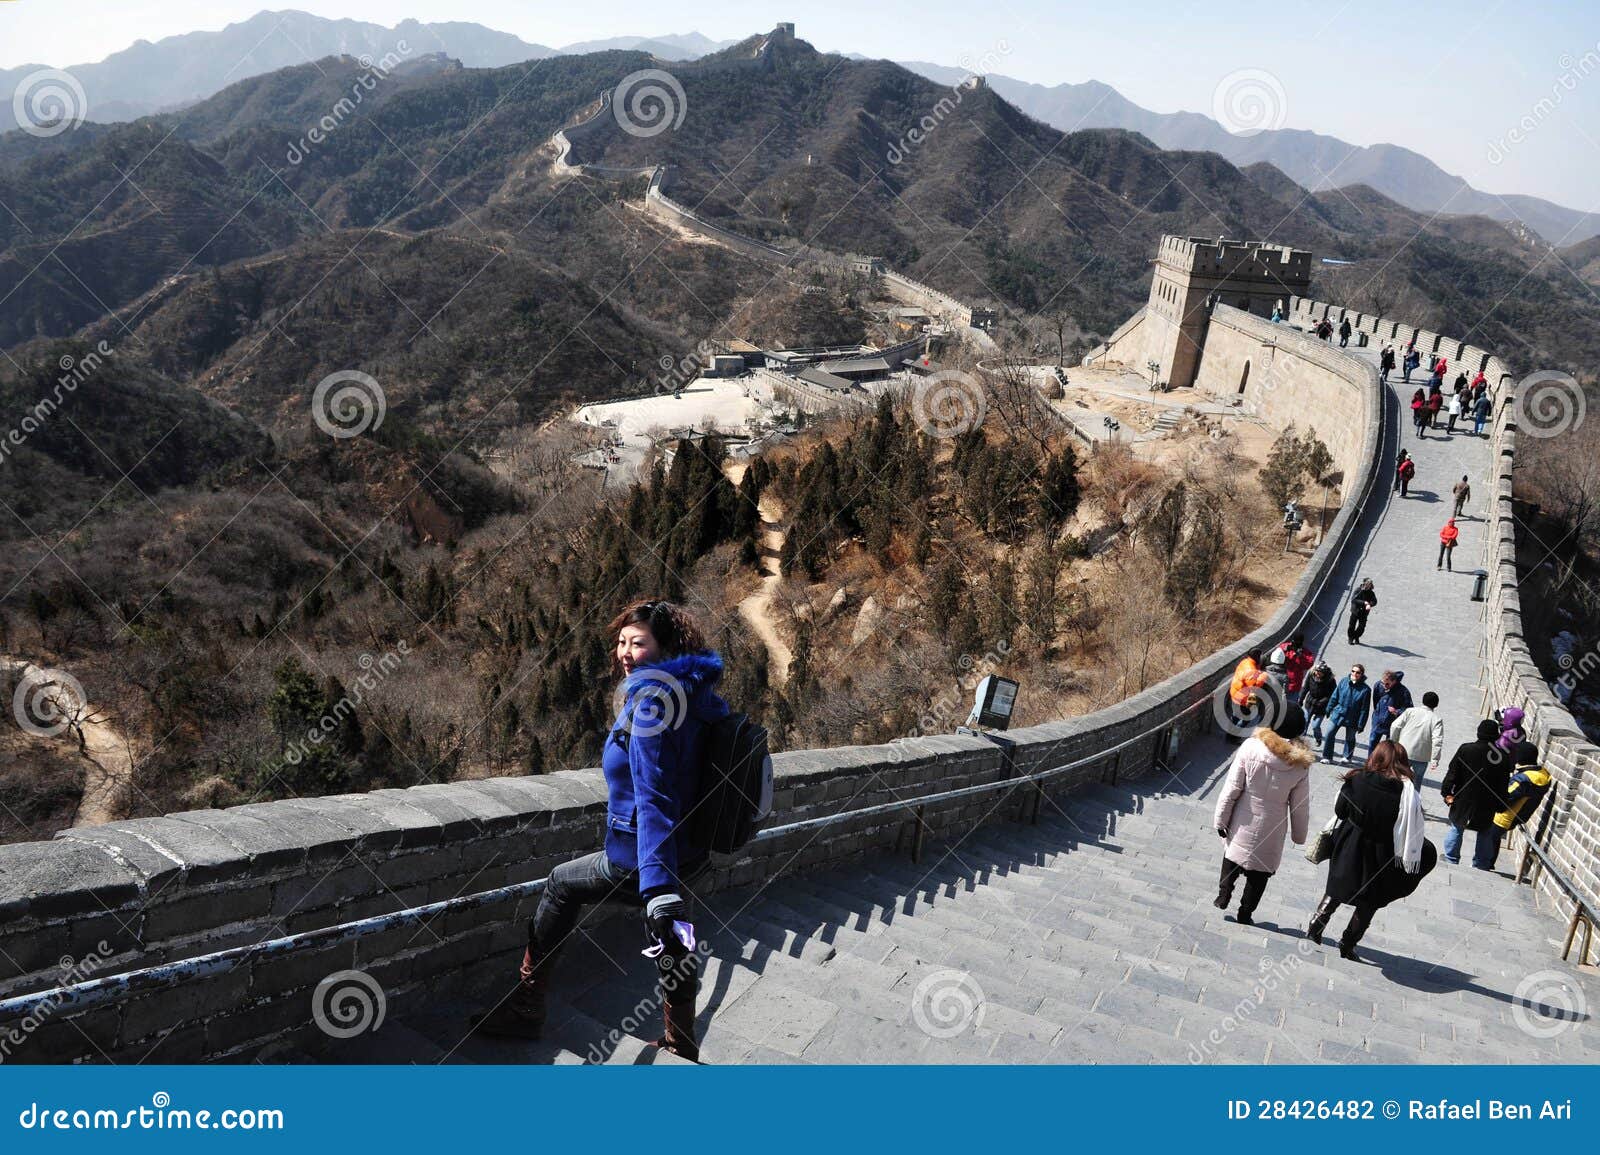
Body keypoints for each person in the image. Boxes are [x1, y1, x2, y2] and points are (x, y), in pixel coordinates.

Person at [472, 599, 731, 1058]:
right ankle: (681, 1040)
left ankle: (528, 1008)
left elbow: (654, 796)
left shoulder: (650, 704)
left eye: (638, 643)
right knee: (674, 933)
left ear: (667, 647)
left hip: (641, 856)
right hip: (689, 849)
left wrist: (655, 887)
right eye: (621, 642)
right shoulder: (695, 694)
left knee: (559, 885)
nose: (625, 653)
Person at [1308, 740, 1437, 960]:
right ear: (1402, 763)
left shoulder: (1357, 779)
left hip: (1350, 842)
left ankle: (1316, 925)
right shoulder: (1407, 793)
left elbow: (1340, 811)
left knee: (1338, 885)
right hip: (1383, 851)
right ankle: (1348, 944)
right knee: (1370, 900)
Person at [1212, 705, 1313, 925]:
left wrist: (1221, 819)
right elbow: (1300, 807)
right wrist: (1299, 835)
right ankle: (1245, 913)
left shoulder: (1250, 747)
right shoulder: (1300, 765)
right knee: (1260, 873)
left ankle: (1224, 893)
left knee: (1232, 855)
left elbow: (1232, 788)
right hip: (1273, 823)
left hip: (1243, 816)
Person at [1440, 719, 1513, 870]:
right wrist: (1502, 804)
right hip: (1487, 802)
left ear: (1478, 733)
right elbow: (1503, 783)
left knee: (1456, 827)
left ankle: (1451, 857)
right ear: (1496, 736)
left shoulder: (1466, 749)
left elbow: (1453, 772)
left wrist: (1446, 792)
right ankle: (1481, 863)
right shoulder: (1502, 757)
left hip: (1463, 798)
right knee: (1485, 832)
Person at [1490, 742, 1553, 867]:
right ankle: (1488, 863)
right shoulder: (1542, 774)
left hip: (1503, 817)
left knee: (1489, 841)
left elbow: (1505, 798)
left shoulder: (1524, 779)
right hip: (1518, 816)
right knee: (1493, 839)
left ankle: (1483, 865)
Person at [1389, 691, 1445, 788]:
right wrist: (1434, 759)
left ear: (1423, 700)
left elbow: (1395, 726)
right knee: (1416, 783)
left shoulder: (1410, 711)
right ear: (1436, 705)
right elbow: (1437, 740)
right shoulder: (1436, 719)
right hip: (1422, 757)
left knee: (1396, 777)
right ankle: (1412, 801)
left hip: (1403, 751)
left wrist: (1394, 743)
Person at [1321, 663, 1372, 764]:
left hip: (1353, 717)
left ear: (1361, 674)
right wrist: (1329, 708)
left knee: (1350, 737)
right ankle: (1327, 756)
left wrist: (1361, 724)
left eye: (1358, 672)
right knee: (1329, 733)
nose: (1354, 674)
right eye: (1353, 671)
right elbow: (1335, 696)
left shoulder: (1366, 690)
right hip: (1338, 713)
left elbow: (1364, 709)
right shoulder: (1344, 681)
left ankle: (1347, 757)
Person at [1227, 648, 1271, 742]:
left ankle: (1229, 732)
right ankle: (1232, 737)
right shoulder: (1252, 672)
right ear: (1257, 657)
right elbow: (1253, 689)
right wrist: (1262, 678)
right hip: (1242, 699)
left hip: (1235, 694)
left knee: (1235, 716)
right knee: (1246, 719)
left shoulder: (1245, 662)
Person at [1368, 669, 1413, 748]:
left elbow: (1409, 709)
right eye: (1383, 683)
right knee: (1372, 741)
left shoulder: (1403, 692)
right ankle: (1371, 760)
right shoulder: (1378, 685)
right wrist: (1377, 713)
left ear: (1394, 681)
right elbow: (1376, 701)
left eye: (1387, 684)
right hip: (1378, 720)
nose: (1384, 686)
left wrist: (1397, 711)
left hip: (1392, 722)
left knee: (1388, 747)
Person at [1302, 661, 1337, 742]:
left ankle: (1318, 738)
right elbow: (1305, 688)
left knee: (1315, 725)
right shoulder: (1311, 675)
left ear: (1324, 673)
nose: (1317, 674)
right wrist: (1301, 699)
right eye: (1316, 671)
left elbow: (1332, 695)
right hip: (1310, 703)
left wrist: (1323, 702)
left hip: (1321, 707)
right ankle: (1301, 740)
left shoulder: (1330, 680)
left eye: (1320, 672)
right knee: (1305, 721)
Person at [1275, 633, 1315, 702]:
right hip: (1282, 683)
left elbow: (1309, 664)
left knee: (1291, 707)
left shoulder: (1305, 652)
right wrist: (1285, 650)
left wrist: (1301, 656)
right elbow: (1276, 655)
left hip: (1294, 686)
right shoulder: (1285, 646)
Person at [1347, 578, 1377, 644]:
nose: (1368, 586)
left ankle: (1356, 636)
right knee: (1352, 626)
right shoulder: (1358, 590)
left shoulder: (1371, 593)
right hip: (1355, 611)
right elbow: (1353, 599)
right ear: (1364, 583)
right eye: (1367, 584)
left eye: (1369, 585)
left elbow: (1374, 601)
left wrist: (1370, 604)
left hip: (1364, 613)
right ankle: (1350, 638)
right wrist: (1364, 602)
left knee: (1361, 627)